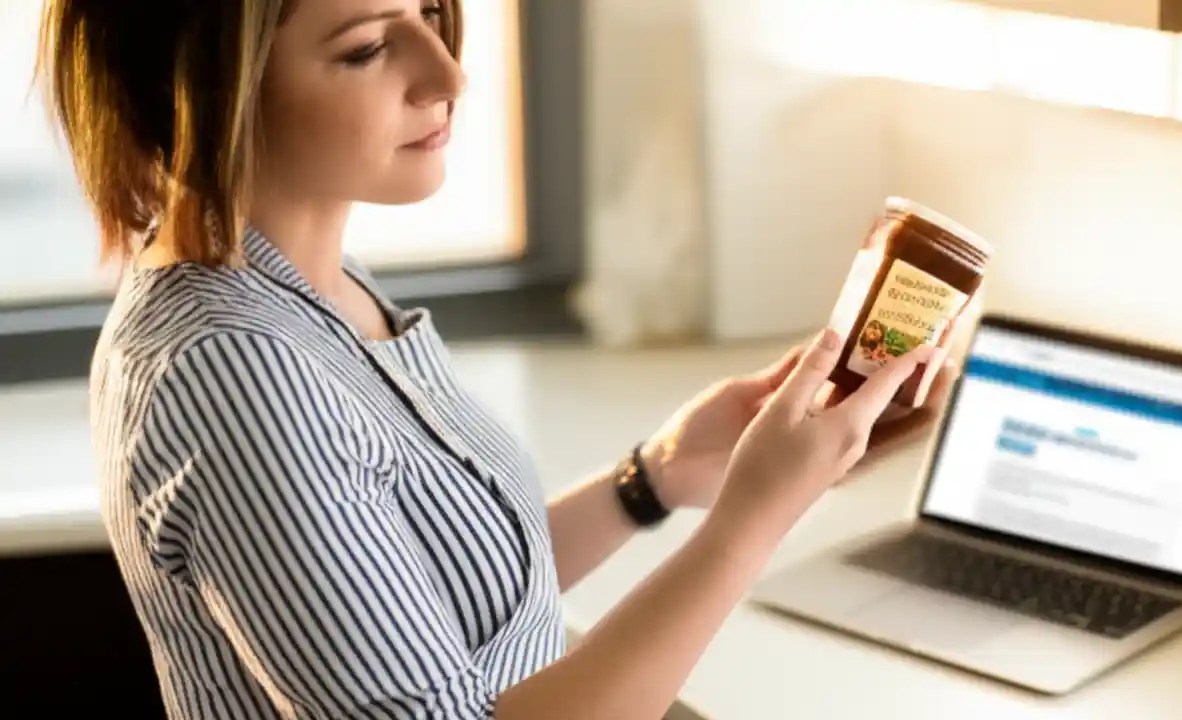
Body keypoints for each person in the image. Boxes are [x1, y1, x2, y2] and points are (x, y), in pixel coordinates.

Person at [36, 1, 958, 717]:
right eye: (365, 48)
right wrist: (754, 519)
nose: (448, 73)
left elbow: (435, 601)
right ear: (208, 86)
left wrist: (659, 477)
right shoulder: (234, 372)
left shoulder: (304, 285)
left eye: (430, 16)